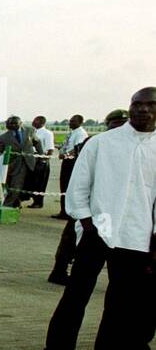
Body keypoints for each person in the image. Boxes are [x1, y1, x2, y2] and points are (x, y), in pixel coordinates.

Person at [37, 88, 156, 350]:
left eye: (150, 105)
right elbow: (78, 187)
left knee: (121, 302)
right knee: (77, 295)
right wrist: (87, 222)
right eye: (136, 104)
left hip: (137, 236)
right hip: (97, 231)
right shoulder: (103, 143)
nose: (142, 110)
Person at [49, 110, 127, 285]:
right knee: (72, 238)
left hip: (111, 205)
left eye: (122, 124)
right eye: (115, 124)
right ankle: (60, 269)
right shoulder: (95, 143)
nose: (119, 128)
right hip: (88, 204)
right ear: (108, 125)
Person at [0, 116, 35, 208]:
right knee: (12, 185)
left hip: (27, 162)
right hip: (12, 163)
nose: (12, 125)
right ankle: (14, 203)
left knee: (17, 185)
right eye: (10, 123)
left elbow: (37, 142)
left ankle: (7, 206)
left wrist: (42, 156)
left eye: (15, 123)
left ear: (20, 123)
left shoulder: (29, 131)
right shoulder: (4, 137)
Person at [54, 115, 88, 219]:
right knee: (63, 185)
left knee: (67, 186)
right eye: (70, 121)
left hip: (72, 163)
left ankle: (67, 212)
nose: (70, 123)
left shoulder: (81, 133)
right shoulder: (73, 133)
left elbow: (77, 149)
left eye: (72, 121)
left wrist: (65, 155)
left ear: (80, 122)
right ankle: (63, 210)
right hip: (67, 161)